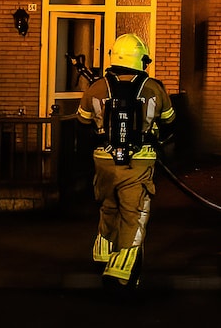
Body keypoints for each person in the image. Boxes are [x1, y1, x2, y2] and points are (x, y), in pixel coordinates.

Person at [76, 33, 176, 291]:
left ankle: (102, 254)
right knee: (134, 214)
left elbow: (82, 123)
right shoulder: (154, 88)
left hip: (103, 162)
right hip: (139, 164)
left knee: (108, 207)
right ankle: (120, 272)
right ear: (140, 60)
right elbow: (170, 122)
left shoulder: (97, 87)